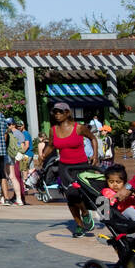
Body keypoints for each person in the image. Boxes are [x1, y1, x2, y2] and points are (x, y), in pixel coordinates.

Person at [40, 101, 100, 236]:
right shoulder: (53, 130)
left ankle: (85, 213)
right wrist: (43, 155)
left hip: (81, 166)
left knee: (79, 194)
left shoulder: (79, 128)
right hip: (64, 167)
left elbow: (93, 138)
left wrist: (95, 155)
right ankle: (79, 225)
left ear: (67, 113)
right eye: (55, 112)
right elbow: (51, 145)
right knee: (70, 196)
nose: (57, 115)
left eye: (60, 112)